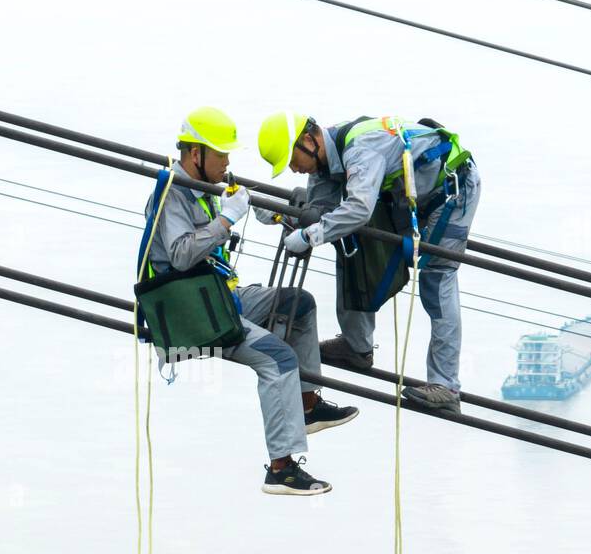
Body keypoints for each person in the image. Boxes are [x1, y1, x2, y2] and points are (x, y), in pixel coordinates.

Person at [142, 107, 358, 496]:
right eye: (221, 154)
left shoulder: (208, 183)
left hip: (217, 295)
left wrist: (279, 216)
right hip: (191, 311)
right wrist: (225, 221)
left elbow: (244, 209)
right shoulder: (173, 191)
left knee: (300, 304)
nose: (227, 162)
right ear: (196, 155)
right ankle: (281, 468)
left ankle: (307, 405)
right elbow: (179, 255)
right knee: (277, 357)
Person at [257, 112, 481, 412]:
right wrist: (279, 215)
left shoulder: (360, 149)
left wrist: (309, 237)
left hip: (452, 191)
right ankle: (356, 347)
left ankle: (447, 386)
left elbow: (359, 210)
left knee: (437, 278)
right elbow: (320, 213)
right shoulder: (325, 164)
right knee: (350, 244)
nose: (295, 169)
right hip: (416, 194)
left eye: (293, 160)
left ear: (309, 140)